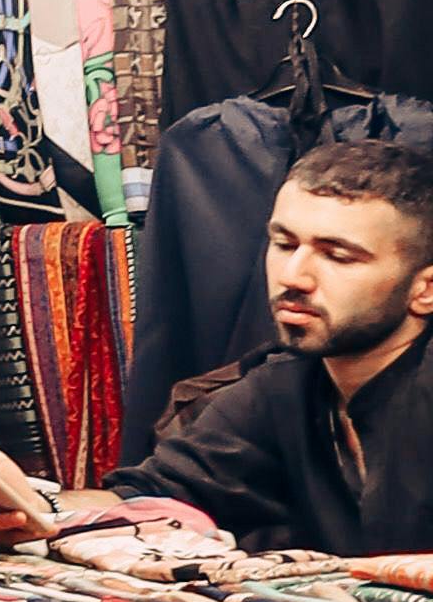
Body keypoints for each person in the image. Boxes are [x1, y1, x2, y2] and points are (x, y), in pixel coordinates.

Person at [95, 131, 433, 554]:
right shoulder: (283, 386)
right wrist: (32, 506)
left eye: (338, 255)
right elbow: (154, 495)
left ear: (426, 290)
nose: (293, 275)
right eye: (284, 244)